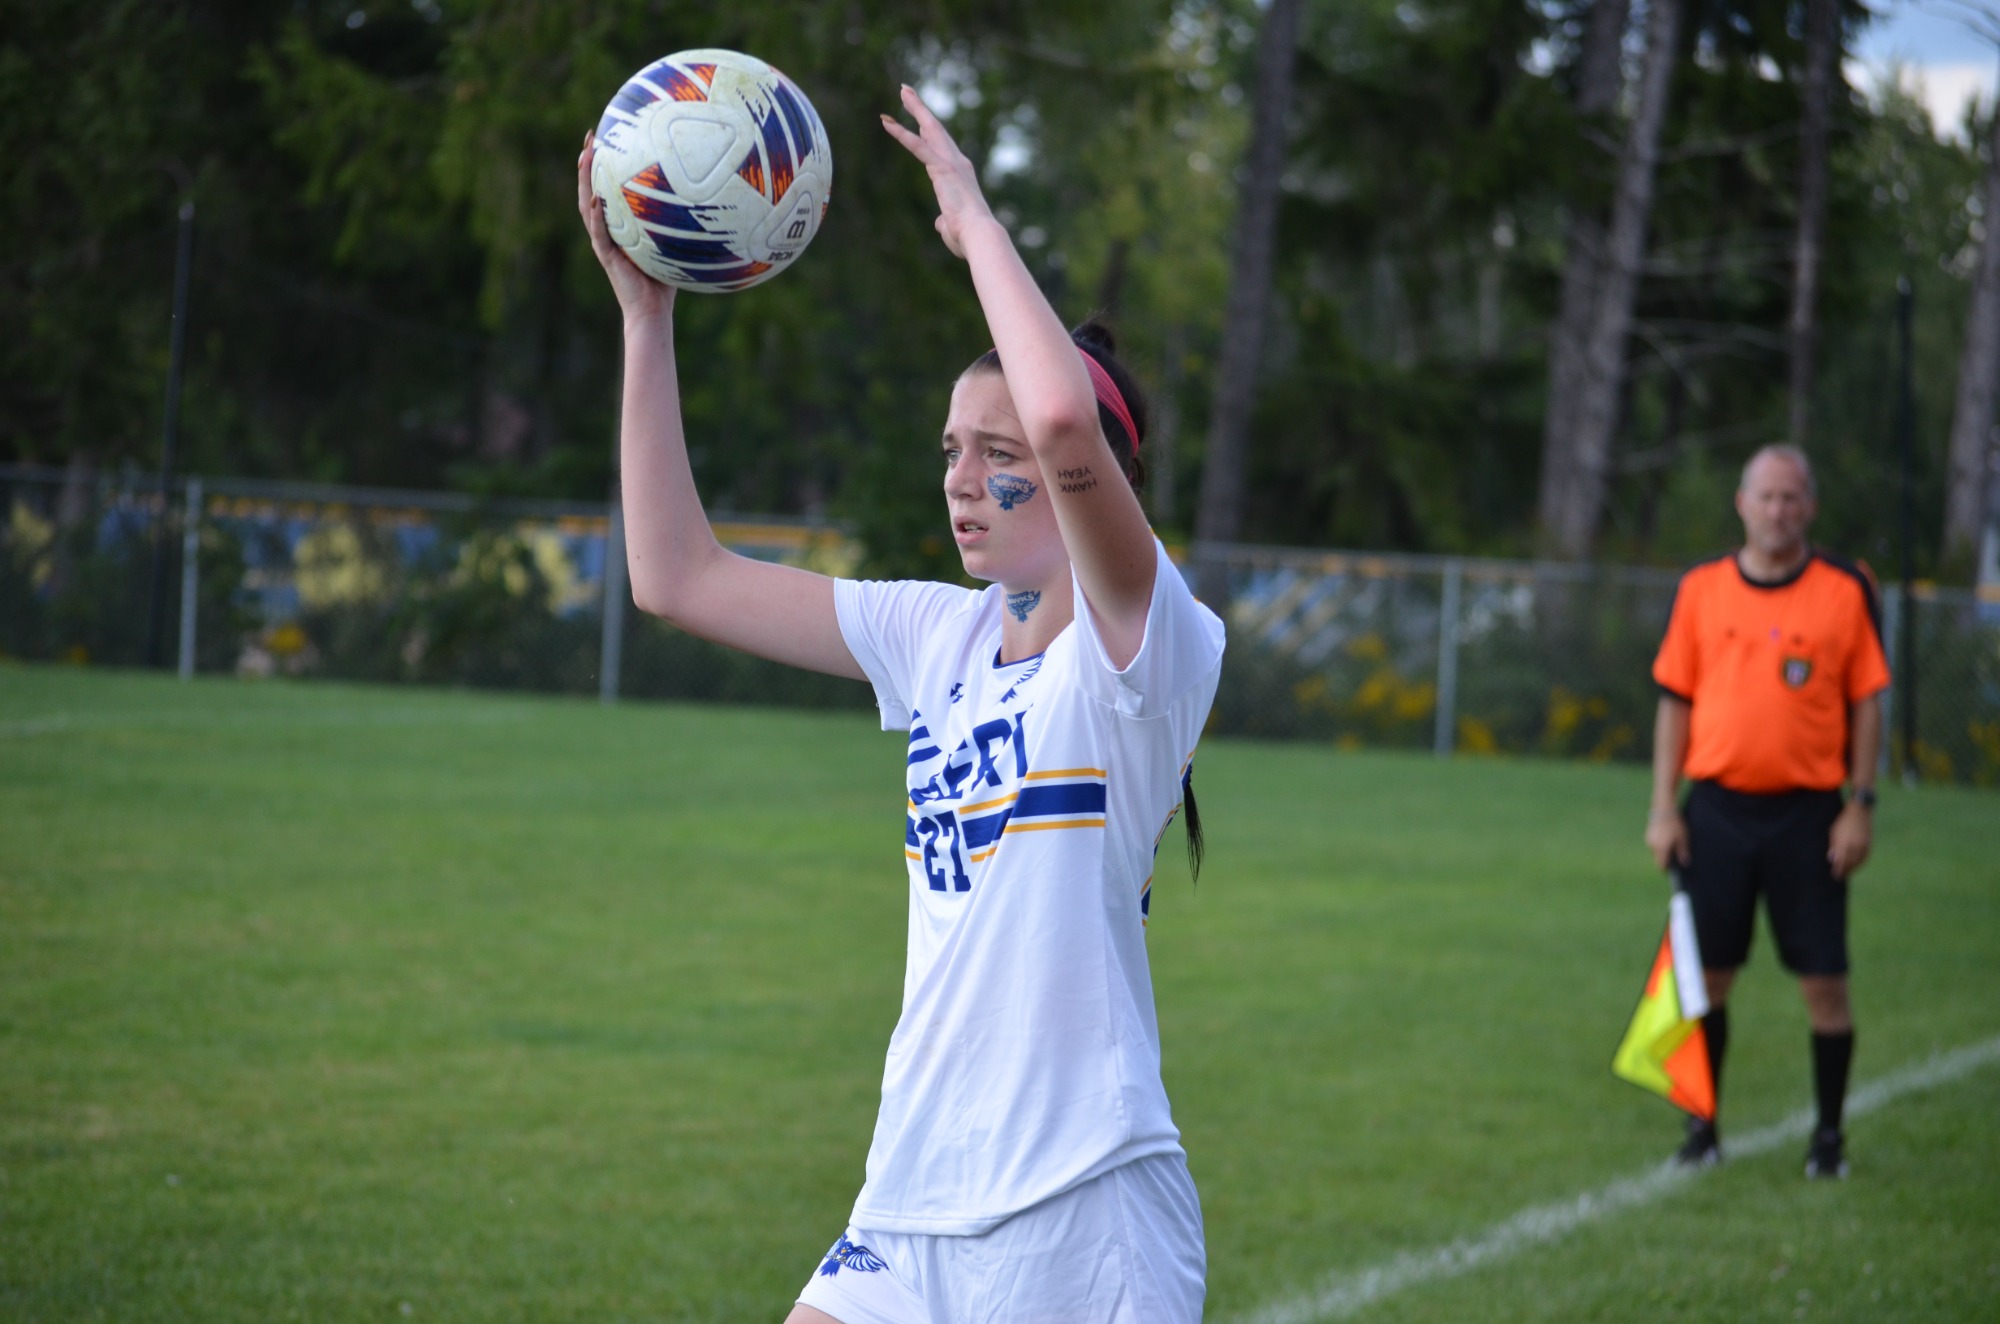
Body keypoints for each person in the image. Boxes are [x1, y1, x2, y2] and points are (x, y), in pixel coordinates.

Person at [578, 84, 1224, 1324]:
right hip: (908, 1200)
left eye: (1001, 460)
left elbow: (1056, 408)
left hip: (1084, 1212)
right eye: (948, 451)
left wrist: (974, 216)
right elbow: (674, 576)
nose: (964, 482)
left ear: (1096, 483)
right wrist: (647, 318)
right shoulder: (936, 635)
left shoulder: (1149, 647)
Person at [1643, 444, 1890, 1180]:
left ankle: (1828, 1141)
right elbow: (1674, 702)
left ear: (1809, 507)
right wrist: (1664, 808)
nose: (1778, 511)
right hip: (1715, 812)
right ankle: (1702, 1128)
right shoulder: (1701, 589)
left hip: (1809, 814)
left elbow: (1868, 700)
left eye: (1791, 498)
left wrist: (1860, 805)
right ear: (1741, 504)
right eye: (1766, 497)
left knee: (1824, 981)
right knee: (1706, 979)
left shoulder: (1844, 590)